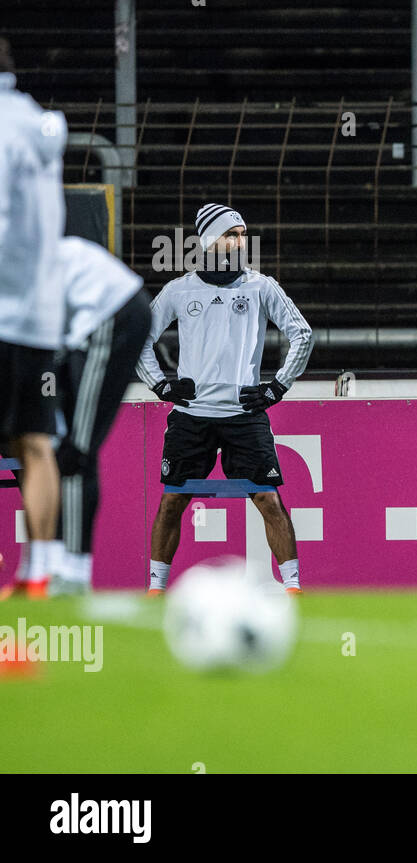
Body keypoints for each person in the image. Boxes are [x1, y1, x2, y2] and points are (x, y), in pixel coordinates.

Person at [136, 203, 313, 595]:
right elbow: (138, 336)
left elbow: (302, 333)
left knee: (269, 500)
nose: (237, 241)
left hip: (243, 415)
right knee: (171, 502)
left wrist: (276, 387)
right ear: (206, 240)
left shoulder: (261, 286)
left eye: (241, 235)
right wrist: (161, 385)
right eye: (228, 234)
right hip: (190, 416)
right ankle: (156, 589)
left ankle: (294, 588)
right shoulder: (180, 290)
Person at [0, 38, 67, 599]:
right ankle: (39, 571)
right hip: (40, 314)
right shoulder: (37, 122)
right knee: (36, 441)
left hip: (2, 309)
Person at [49, 237, 153, 594]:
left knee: (75, 450)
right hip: (91, 323)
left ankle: (71, 573)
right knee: (68, 447)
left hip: (110, 314)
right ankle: (63, 566)